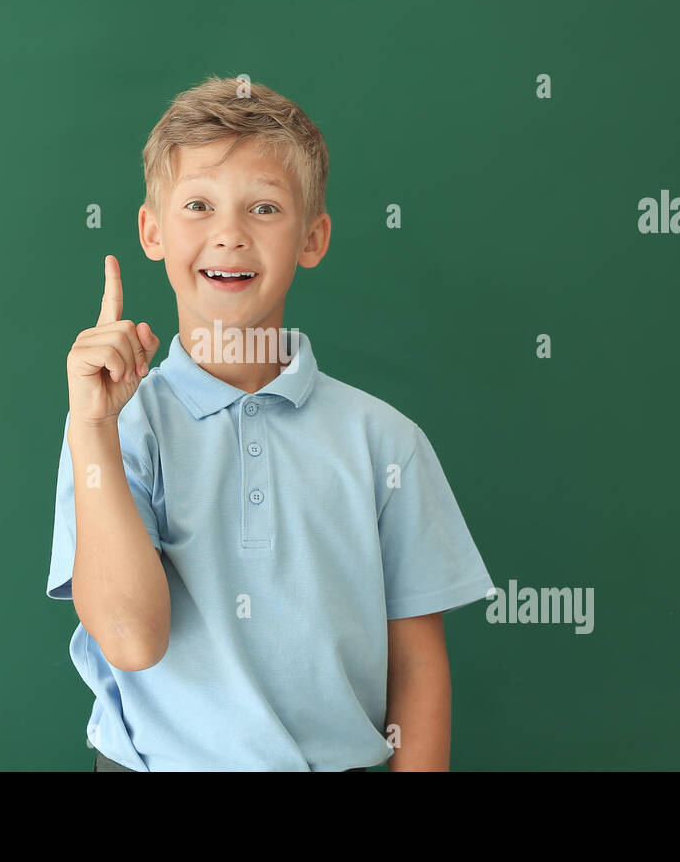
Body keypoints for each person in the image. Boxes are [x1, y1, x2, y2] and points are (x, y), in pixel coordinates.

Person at [47, 75, 494, 771]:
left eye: (263, 208)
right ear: (152, 231)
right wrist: (94, 428)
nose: (229, 234)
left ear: (312, 238)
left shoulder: (385, 442)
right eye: (198, 205)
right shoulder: (114, 429)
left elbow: (417, 669)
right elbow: (132, 640)